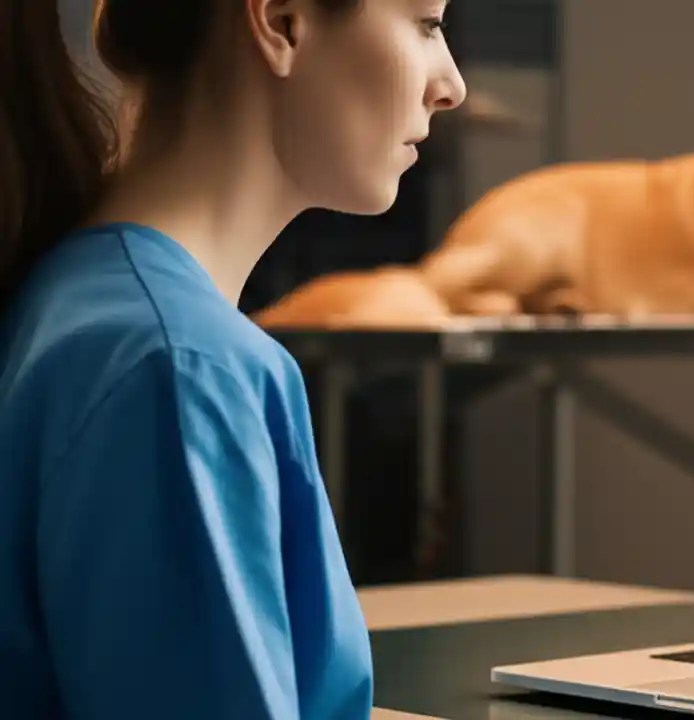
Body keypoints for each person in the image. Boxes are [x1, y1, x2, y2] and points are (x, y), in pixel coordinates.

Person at [0, 0, 464, 718]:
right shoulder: (180, 366)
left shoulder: (81, 298)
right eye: (426, 24)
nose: (452, 84)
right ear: (280, 21)